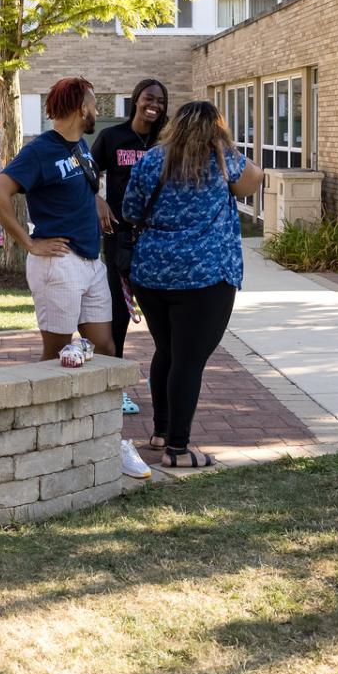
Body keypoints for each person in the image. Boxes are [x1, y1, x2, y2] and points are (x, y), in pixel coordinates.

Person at [122, 100, 261, 470]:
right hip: (206, 276)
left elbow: (130, 210)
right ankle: (178, 451)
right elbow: (253, 180)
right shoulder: (222, 160)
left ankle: (162, 432)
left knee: (166, 351)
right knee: (189, 360)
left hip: (152, 274)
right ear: (218, 129)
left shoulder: (152, 159)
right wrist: (227, 144)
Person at [0, 76, 118, 361]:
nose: (97, 112)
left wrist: (96, 199)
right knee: (57, 352)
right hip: (58, 263)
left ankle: (96, 403)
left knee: (104, 347)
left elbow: (70, 182)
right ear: (82, 109)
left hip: (90, 260)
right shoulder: (39, 151)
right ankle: (47, 403)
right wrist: (30, 244)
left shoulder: (80, 145)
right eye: (95, 105)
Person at [92, 78, 168, 359]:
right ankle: (114, 381)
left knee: (161, 308)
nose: (154, 106)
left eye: (160, 101)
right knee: (119, 310)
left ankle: (164, 382)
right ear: (136, 99)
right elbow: (85, 173)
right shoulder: (112, 137)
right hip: (119, 234)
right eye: (149, 98)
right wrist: (96, 199)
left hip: (159, 235)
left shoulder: (167, 140)